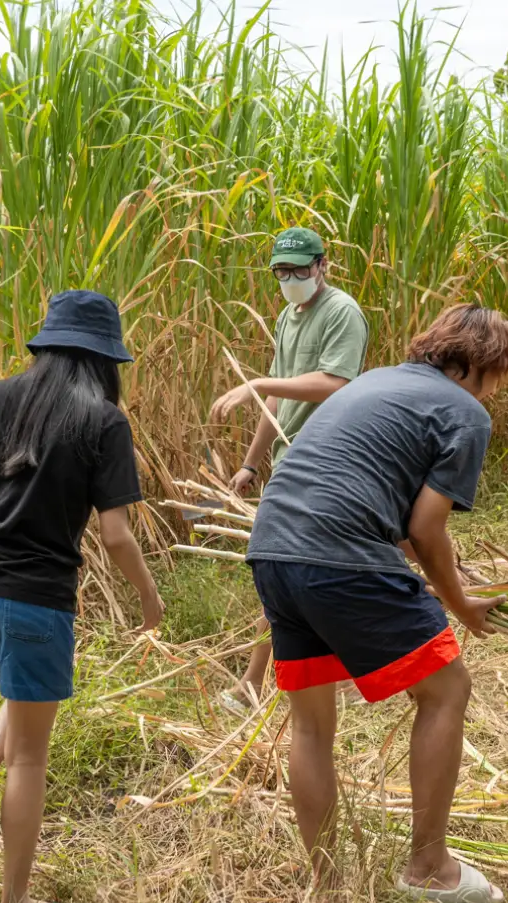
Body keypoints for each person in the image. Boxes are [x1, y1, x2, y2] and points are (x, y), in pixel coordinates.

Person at [244, 305, 508, 903]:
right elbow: (427, 529)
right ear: (483, 366)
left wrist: (443, 570)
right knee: (447, 689)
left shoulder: (375, 381)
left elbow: (393, 515)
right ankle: (429, 867)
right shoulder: (466, 413)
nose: (496, 393)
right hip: (338, 553)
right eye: (500, 379)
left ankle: (327, 893)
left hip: (272, 548)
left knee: (311, 723)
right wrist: (463, 604)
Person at [0, 290, 165, 903]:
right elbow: (117, 535)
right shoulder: (102, 421)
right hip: (31, 600)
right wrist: (148, 600)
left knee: (24, 686)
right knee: (33, 757)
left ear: (44, 346)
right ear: (104, 362)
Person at [208, 228, 368, 714]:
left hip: (328, 461)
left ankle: (252, 686)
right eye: (283, 270)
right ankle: (336, 679)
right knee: (300, 572)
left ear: (324, 264)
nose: (293, 278)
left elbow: (335, 382)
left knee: (282, 570)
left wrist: (255, 380)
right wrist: (251, 463)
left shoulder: (342, 313)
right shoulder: (286, 317)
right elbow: (278, 397)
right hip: (290, 460)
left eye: (302, 268)